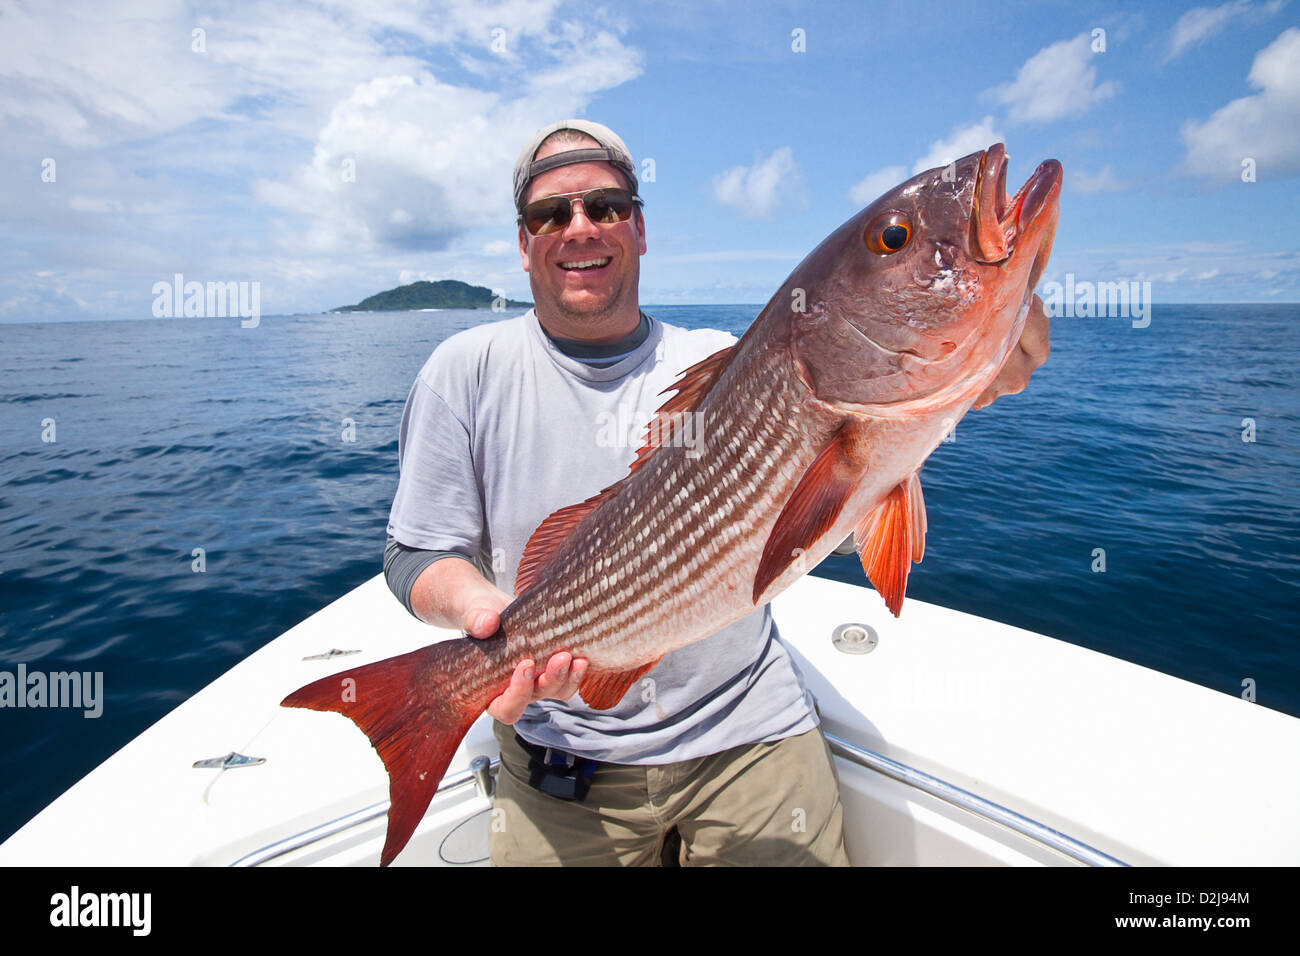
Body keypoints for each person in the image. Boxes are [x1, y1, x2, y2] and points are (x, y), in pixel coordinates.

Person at [383, 119, 1050, 866]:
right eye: (550, 214)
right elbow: (417, 551)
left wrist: (988, 360)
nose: (580, 228)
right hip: (560, 754)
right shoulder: (462, 370)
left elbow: (869, 482)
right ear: (522, 240)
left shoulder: (716, 362)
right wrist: (484, 615)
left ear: (639, 229)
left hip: (751, 737)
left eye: (605, 207)